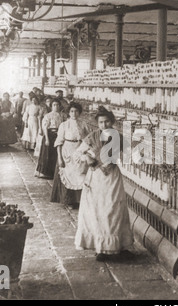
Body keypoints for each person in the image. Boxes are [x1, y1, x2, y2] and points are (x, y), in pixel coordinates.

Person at [74, 106, 134, 261]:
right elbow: (78, 153)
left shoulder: (118, 137)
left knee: (113, 209)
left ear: (112, 122)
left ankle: (117, 247)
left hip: (112, 177)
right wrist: (86, 157)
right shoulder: (92, 136)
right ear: (97, 123)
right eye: (101, 122)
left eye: (107, 122)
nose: (104, 125)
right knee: (97, 211)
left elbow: (130, 153)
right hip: (96, 177)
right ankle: (101, 247)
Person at [50, 101, 90, 209]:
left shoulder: (83, 124)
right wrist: (59, 158)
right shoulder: (64, 125)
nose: (74, 114)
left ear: (79, 112)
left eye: (76, 111)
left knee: (79, 175)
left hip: (79, 151)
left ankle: (79, 201)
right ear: (69, 112)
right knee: (68, 175)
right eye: (72, 111)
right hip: (67, 151)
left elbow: (88, 140)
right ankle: (69, 201)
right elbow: (59, 142)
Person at [35, 98, 63, 179]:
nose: (56, 106)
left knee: (56, 154)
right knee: (47, 154)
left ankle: (54, 172)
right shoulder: (48, 115)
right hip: (49, 135)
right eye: (54, 105)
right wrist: (47, 139)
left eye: (57, 105)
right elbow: (45, 128)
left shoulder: (61, 115)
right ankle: (45, 173)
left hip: (58, 135)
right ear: (51, 106)